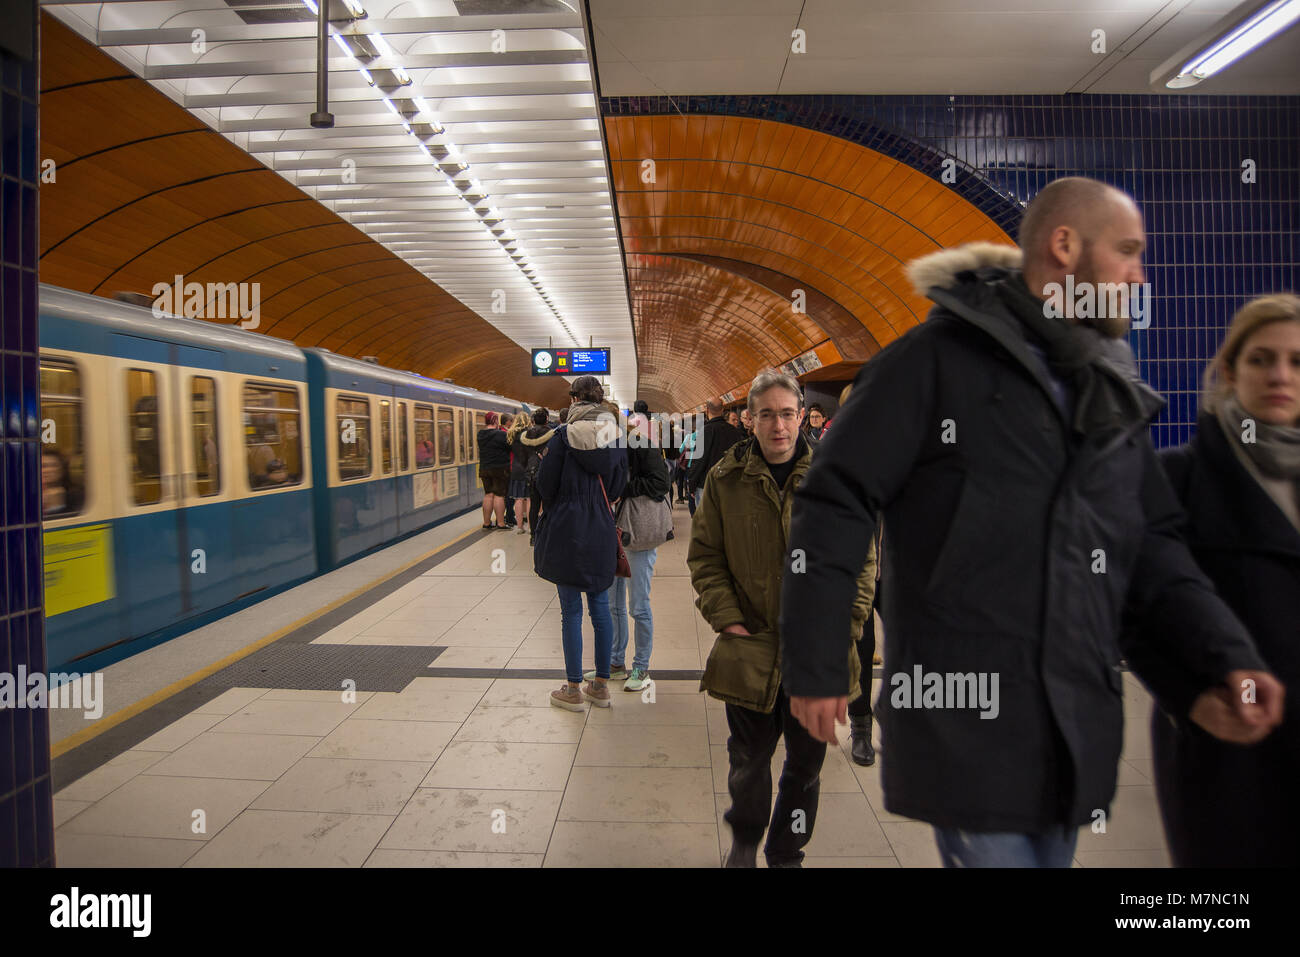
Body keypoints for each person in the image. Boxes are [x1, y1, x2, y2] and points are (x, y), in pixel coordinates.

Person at [779, 176, 1283, 868]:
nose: (1141, 273)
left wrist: (1219, 660)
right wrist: (816, 662)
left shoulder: (1109, 388)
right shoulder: (932, 365)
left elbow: (1150, 546)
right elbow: (835, 500)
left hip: (1073, 723)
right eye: (1128, 251)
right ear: (1066, 245)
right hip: (966, 719)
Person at [1130, 293, 1300, 866]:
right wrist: (1189, 698)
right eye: (1261, 359)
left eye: (1297, 362)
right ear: (1230, 369)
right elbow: (1128, 605)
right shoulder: (1180, 475)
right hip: (1229, 745)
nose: (1280, 375)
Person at [690, 370, 877, 868]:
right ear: (748, 419)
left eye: (788, 413)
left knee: (805, 766)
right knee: (747, 763)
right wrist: (728, 620)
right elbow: (705, 556)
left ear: (802, 417)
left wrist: (846, 625)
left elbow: (862, 564)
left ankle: (787, 850)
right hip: (749, 649)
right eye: (766, 414)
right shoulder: (724, 481)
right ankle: (746, 843)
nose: (778, 425)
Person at [533, 375, 628, 710]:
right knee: (600, 609)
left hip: (566, 530)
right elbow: (618, 487)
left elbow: (545, 485)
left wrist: (564, 501)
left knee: (570, 611)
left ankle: (573, 690)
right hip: (601, 528)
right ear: (600, 402)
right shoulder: (617, 437)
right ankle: (600, 686)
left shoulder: (561, 437)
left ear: (573, 400)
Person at [585, 407, 671, 692]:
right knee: (613, 605)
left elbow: (661, 483)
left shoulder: (641, 445)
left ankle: (641, 667)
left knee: (638, 605)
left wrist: (625, 488)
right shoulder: (601, 449)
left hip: (638, 532)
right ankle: (615, 662)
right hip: (609, 532)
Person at [687, 398, 746, 511]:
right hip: (730, 484)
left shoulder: (705, 431)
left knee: (707, 522)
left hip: (706, 484)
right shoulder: (734, 432)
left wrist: (692, 484)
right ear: (723, 409)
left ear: (706, 410)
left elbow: (698, 460)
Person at [520, 408, 555, 545]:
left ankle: (533, 536)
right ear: (547, 419)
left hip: (530, 472)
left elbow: (522, 456)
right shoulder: (551, 434)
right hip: (546, 472)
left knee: (533, 505)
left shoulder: (526, 435)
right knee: (547, 504)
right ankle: (546, 532)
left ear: (533, 420)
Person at [476, 411, 511, 529]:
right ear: (495, 421)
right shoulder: (500, 435)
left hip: (484, 468)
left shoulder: (480, 434)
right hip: (499, 469)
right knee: (499, 495)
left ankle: (486, 523)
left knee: (488, 495)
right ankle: (500, 523)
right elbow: (509, 447)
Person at [506, 411, 538, 534]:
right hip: (528, 467)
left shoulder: (511, 434)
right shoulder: (530, 433)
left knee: (518, 499)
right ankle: (531, 526)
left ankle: (519, 527)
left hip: (516, 467)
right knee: (529, 499)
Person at [41, 448, 84, 516]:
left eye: (53, 465)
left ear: (62, 470)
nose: (48, 470)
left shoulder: (75, 495)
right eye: (43, 466)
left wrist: (56, 507)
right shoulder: (31, 495)